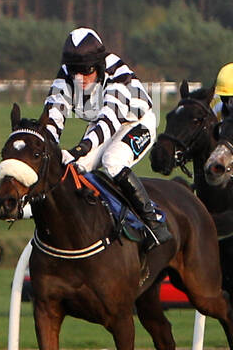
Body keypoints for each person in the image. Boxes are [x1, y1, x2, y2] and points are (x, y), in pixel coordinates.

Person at [43, 27, 169, 248]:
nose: (79, 79)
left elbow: (109, 122)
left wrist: (80, 148)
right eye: (74, 71)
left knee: (113, 161)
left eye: (86, 71)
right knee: (75, 168)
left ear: (99, 66)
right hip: (103, 122)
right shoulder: (66, 74)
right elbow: (53, 115)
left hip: (136, 121)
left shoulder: (118, 73)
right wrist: (46, 148)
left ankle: (153, 222)